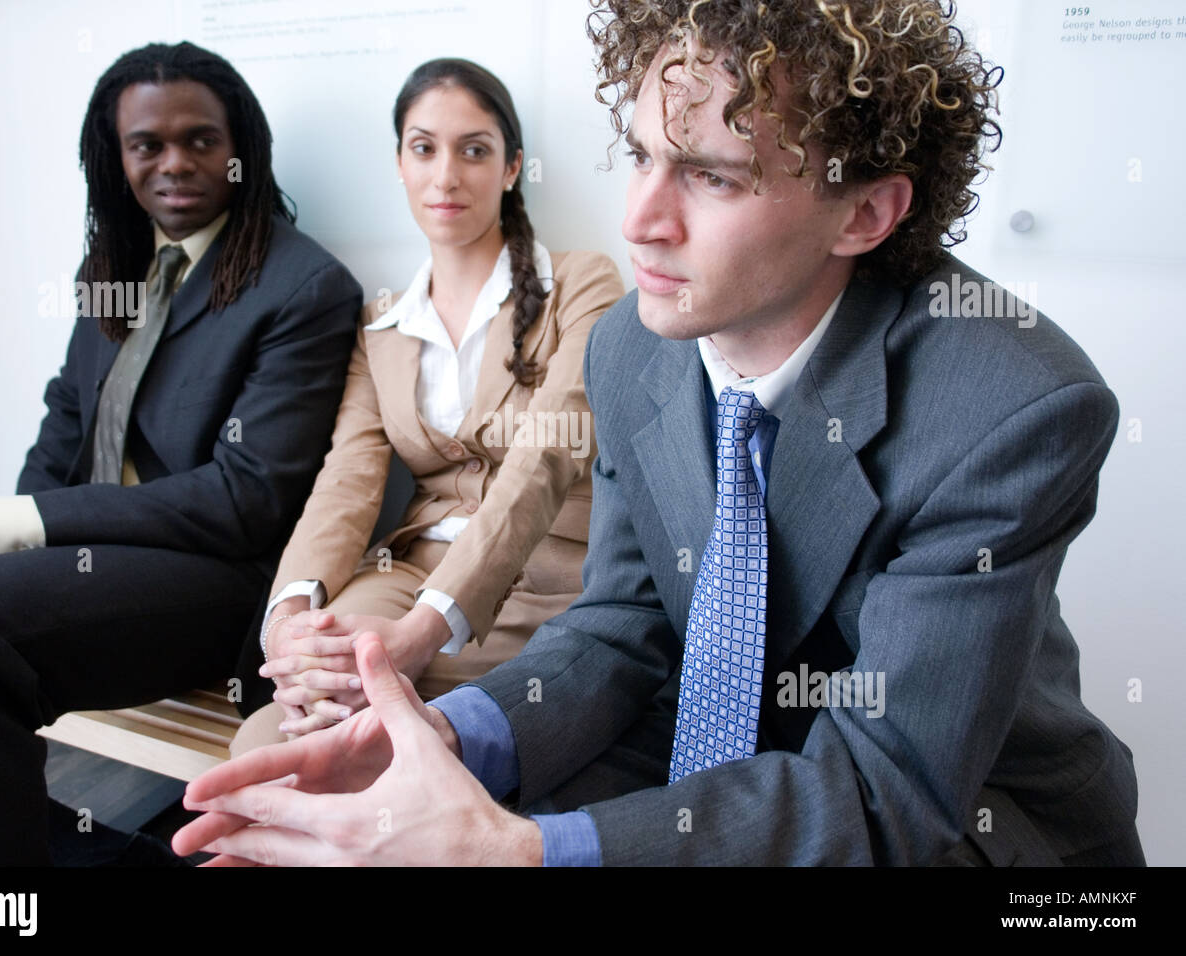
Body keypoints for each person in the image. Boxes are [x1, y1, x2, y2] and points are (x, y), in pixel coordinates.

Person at [173, 0, 1143, 866]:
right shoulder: (636, 346)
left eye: (712, 177)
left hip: (961, 818)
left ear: (866, 210)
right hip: (706, 758)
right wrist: (440, 737)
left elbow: (886, 795)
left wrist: (517, 849)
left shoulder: (1012, 407)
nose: (640, 220)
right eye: (639, 155)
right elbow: (624, 629)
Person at [0, 41, 362, 865]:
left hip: (215, 580)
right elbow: (62, 435)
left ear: (239, 148)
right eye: (148, 144)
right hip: (95, 568)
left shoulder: (303, 287)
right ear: (116, 156)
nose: (175, 163)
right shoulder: (113, 269)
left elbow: (244, 497)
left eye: (201, 140)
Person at [231, 58, 623, 752]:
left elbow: (547, 456)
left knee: (331, 741)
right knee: (278, 730)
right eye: (424, 148)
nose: (447, 175)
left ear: (511, 168)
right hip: (405, 572)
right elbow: (347, 478)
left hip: (539, 582)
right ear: (400, 164)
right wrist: (291, 615)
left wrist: (421, 634)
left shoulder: (584, 283)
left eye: (475, 150)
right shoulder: (380, 323)